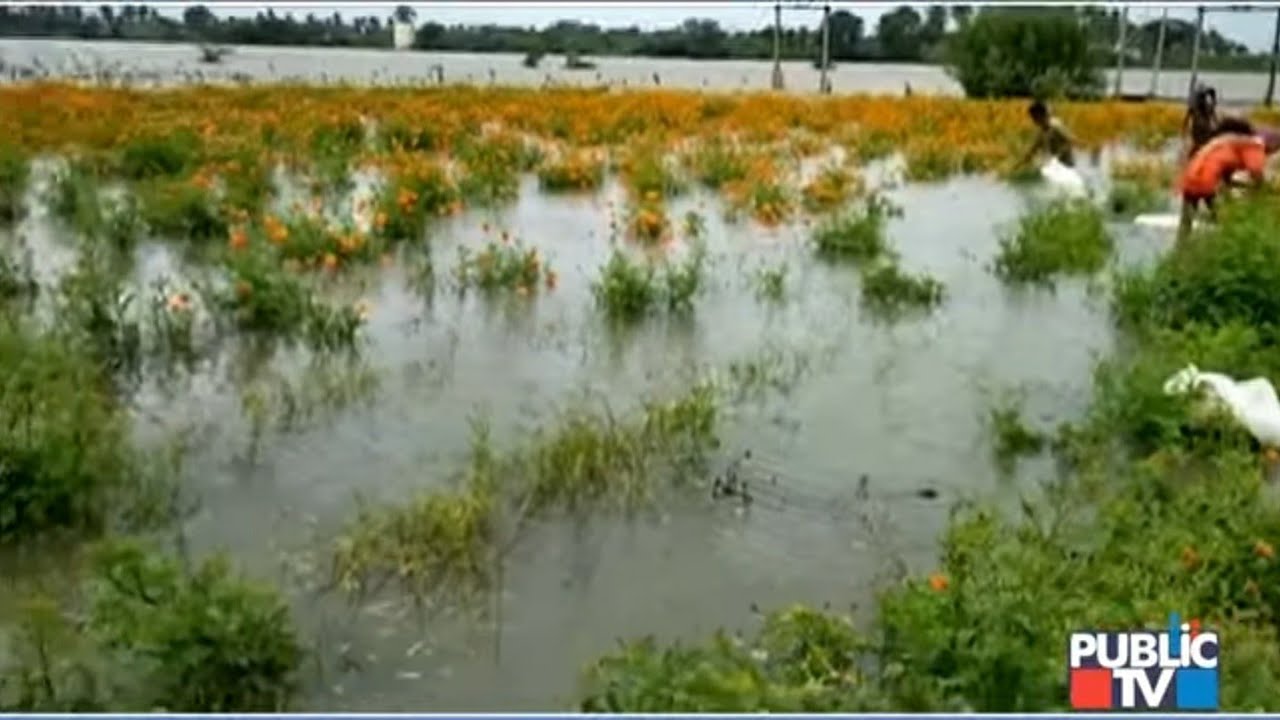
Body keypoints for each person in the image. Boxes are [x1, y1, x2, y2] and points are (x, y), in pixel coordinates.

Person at [1176, 117, 1268, 242]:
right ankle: (1229, 242)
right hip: (1208, 185)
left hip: (1189, 181)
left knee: (1186, 223)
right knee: (1224, 220)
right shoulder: (1251, 144)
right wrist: (1260, 189)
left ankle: (1181, 248)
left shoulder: (1216, 144)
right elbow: (1255, 170)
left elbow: (1221, 171)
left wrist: (1236, 185)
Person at [1022, 100, 1076, 168]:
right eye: (1032, 117)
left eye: (1035, 116)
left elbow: (1071, 141)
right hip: (1056, 165)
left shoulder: (1055, 126)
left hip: (1066, 164)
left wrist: (1058, 155)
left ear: (1042, 115)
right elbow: (1034, 149)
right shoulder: (1042, 130)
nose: (1033, 120)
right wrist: (1020, 164)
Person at [1182, 85, 1220, 162]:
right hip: (1198, 131)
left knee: (1204, 148)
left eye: (1203, 97)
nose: (1202, 99)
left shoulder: (1207, 107)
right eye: (1201, 97)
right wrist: (1184, 129)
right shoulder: (1194, 108)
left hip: (1205, 131)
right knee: (1197, 147)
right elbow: (1186, 119)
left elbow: (1215, 119)